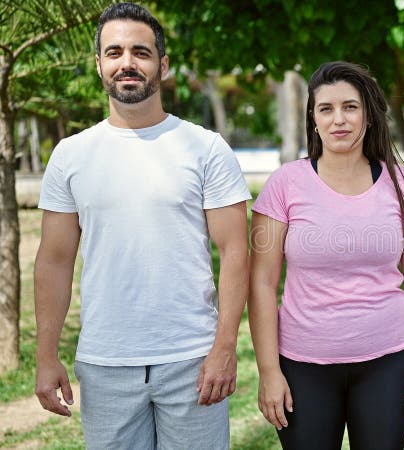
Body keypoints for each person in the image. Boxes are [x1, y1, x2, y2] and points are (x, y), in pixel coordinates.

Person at [33, 3, 250, 449]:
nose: (126, 62)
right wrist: (45, 354)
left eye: (140, 52)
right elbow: (54, 259)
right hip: (106, 362)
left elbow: (235, 252)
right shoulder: (70, 155)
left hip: (192, 360)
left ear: (163, 65)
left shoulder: (205, 148)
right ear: (98, 65)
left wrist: (225, 346)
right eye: (114, 52)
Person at [248, 61, 404, 449]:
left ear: (368, 116)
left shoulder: (400, 184)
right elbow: (262, 283)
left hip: (389, 360)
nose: (339, 119)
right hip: (303, 365)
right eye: (326, 109)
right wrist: (269, 370)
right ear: (313, 119)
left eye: (350, 107)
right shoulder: (285, 183)